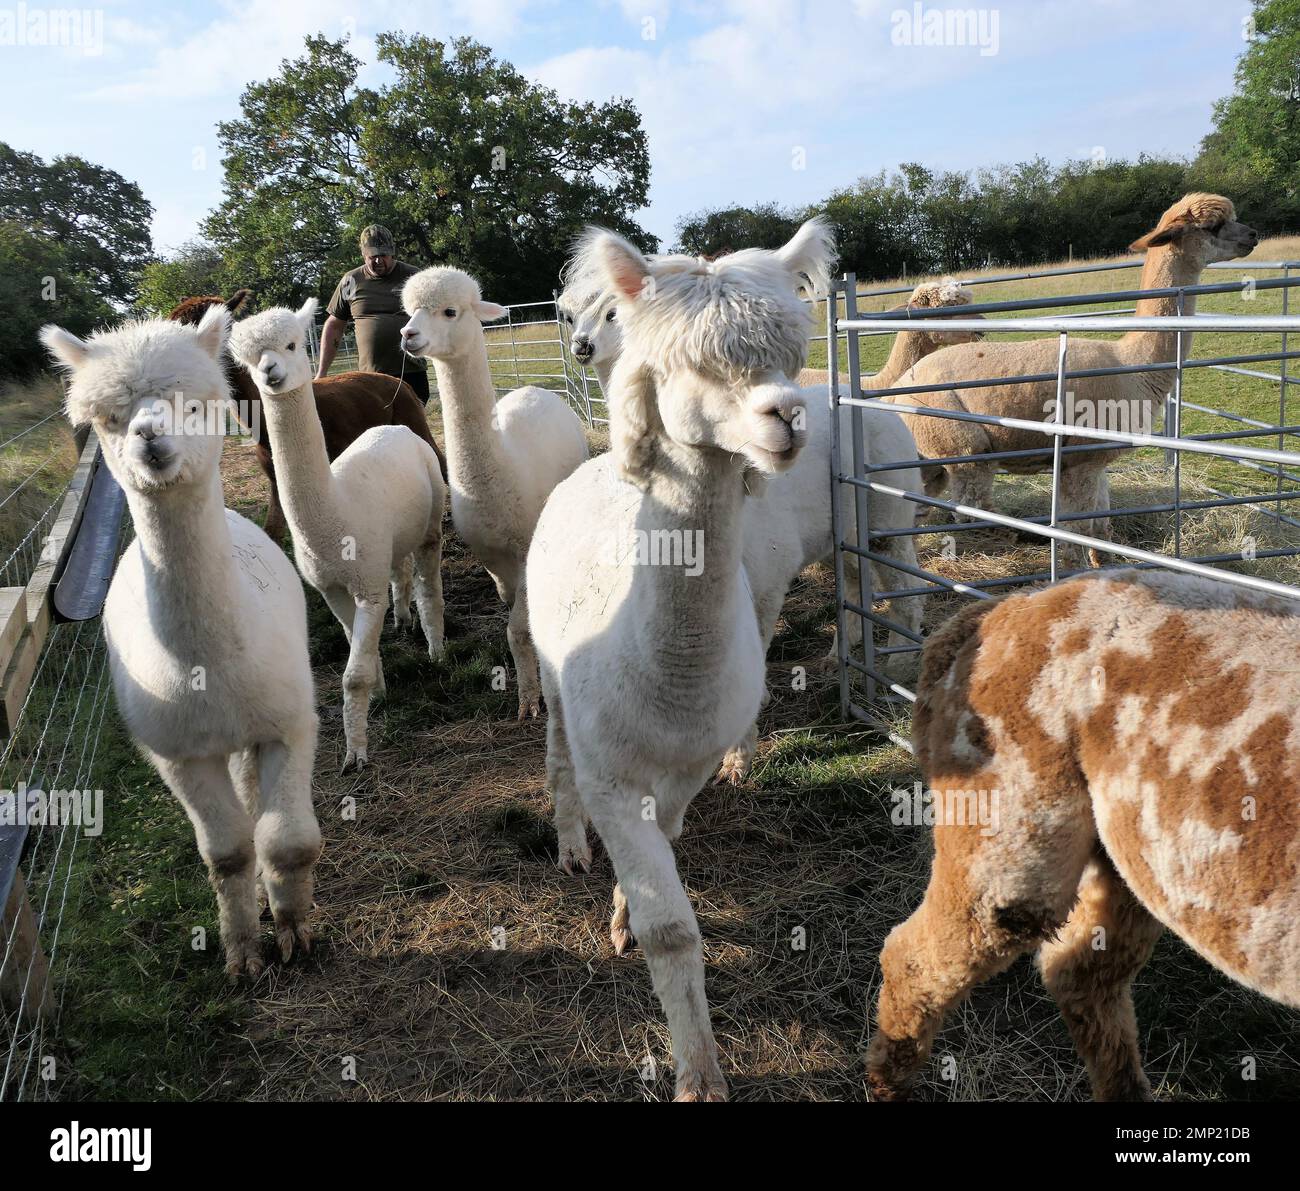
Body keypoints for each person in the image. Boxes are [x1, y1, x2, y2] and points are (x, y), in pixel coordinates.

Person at [318, 225, 429, 403]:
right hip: (371, 377)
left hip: (411, 372)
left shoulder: (414, 277)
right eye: (373, 256)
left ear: (393, 252)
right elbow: (334, 325)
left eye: (383, 255)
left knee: (413, 428)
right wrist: (322, 373)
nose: (378, 261)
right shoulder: (351, 281)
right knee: (375, 428)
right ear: (363, 255)